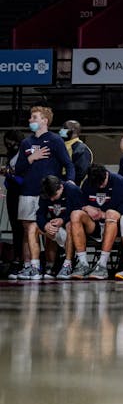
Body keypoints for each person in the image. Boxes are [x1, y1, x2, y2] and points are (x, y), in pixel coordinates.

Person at [12, 106, 75, 280]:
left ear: (44, 120)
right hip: (28, 192)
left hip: (47, 194)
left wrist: (69, 182)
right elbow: (18, 170)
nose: (30, 120)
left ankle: (49, 266)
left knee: (48, 230)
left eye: (34, 117)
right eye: (30, 118)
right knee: (28, 230)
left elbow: (68, 164)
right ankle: (28, 266)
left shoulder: (55, 140)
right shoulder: (26, 143)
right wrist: (32, 158)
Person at [70, 163, 123, 280]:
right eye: (97, 185)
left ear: (106, 174)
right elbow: (78, 203)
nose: (100, 187)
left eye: (102, 183)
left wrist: (104, 214)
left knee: (111, 213)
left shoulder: (119, 182)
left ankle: (102, 265)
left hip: (115, 226)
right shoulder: (87, 183)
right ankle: (83, 263)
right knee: (75, 214)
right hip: (94, 224)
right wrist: (86, 207)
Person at [29, 176, 83, 280]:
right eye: (50, 197)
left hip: (74, 232)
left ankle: (67, 265)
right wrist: (45, 225)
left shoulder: (73, 190)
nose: (52, 199)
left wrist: (63, 220)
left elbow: (80, 213)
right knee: (33, 226)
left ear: (61, 187)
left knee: (70, 224)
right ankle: (35, 267)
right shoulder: (46, 191)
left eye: (54, 195)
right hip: (57, 229)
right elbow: (40, 214)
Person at [3, 130, 25, 268]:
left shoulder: (25, 153)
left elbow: (24, 176)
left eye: (10, 141)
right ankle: (17, 256)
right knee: (15, 227)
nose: (8, 144)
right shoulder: (10, 154)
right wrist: (7, 173)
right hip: (11, 191)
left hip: (22, 191)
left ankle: (25, 258)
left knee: (24, 227)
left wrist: (11, 175)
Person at [59, 120, 92, 186]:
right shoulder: (61, 145)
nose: (60, 131)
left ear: (73, 131)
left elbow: (80, 173)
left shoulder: (81, 149)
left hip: (74, 188)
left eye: (64, 129)